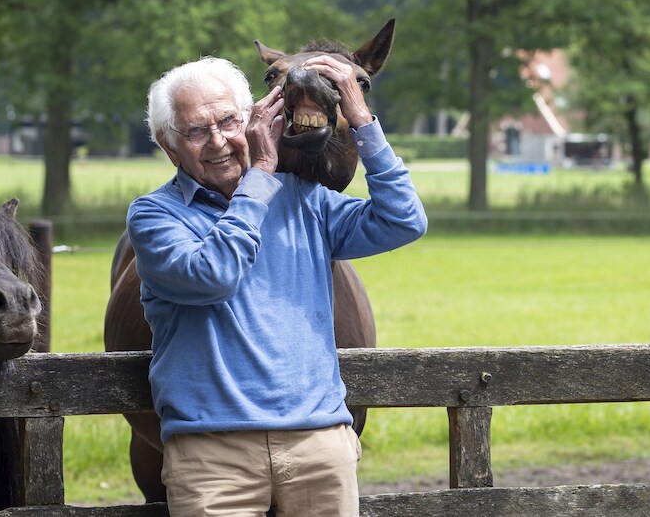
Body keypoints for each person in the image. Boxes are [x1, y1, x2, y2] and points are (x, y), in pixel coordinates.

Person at [126, 55, 427, 516]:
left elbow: (403, 220)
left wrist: (361, 117)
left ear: (251, 118)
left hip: (317, 445)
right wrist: (261, 177)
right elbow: (214, 274)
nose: (219, 141)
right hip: (212, 455)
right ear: (169, 146)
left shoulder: (306, 201)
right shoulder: (155, 216)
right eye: (195, 131)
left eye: (228, 120)